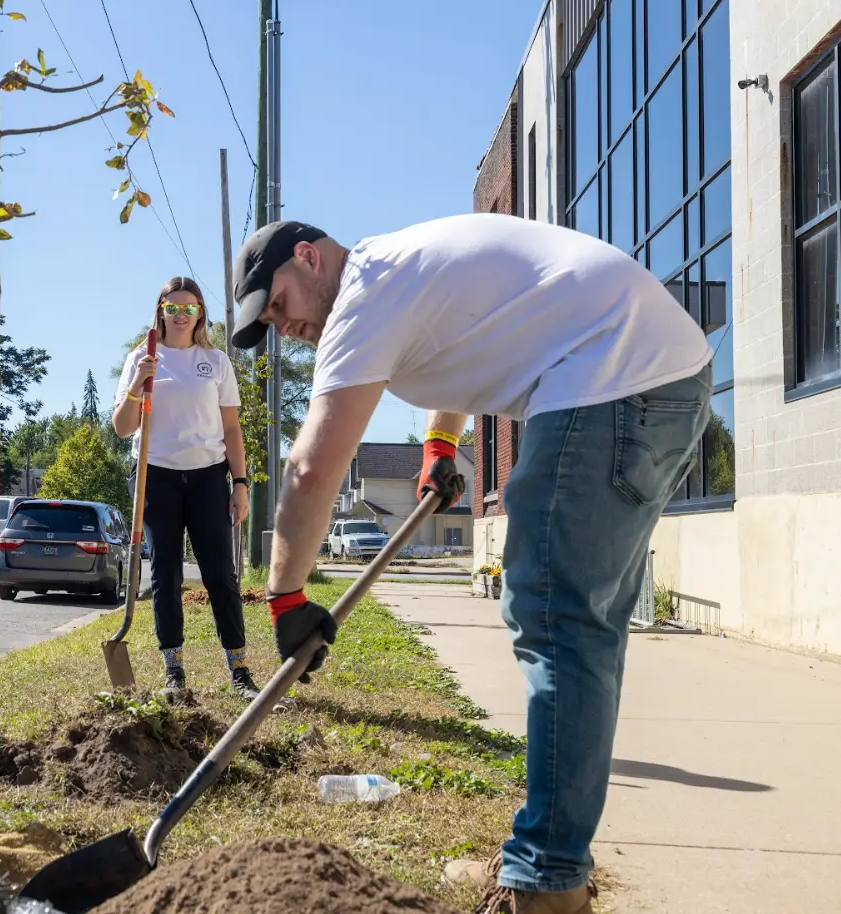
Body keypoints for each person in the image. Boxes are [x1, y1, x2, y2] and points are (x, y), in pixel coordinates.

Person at [231, 214, 712, 914]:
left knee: (556, 617)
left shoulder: (362, 295)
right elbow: (456, 347)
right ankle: (548, 861)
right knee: (578, 627)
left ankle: (546, 880)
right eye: (271, 323)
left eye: (279, 304)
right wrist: (437, 445)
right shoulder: (395, 275)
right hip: (655, 376)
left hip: (615, 375)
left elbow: (309, 471)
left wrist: (285, 601)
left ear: (306, 256)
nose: (286, 327)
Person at [112, 277, 258, 698]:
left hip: (208, 477)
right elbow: (123, 429)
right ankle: (174, 672)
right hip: (155, 477)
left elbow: (231, 428)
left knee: (220, 575)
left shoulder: (215, 362)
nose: (180, 315)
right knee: (165, 575)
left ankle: (240, 671)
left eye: (189, 307)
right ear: (160, 310)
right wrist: (139, 384)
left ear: (200, 313)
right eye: (172, 307)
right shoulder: (141, 358)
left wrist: (241, 483)